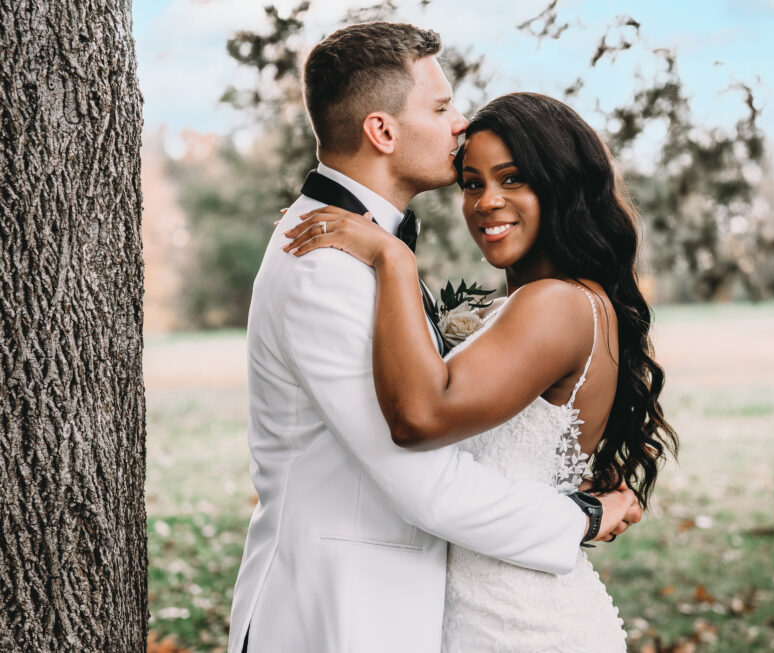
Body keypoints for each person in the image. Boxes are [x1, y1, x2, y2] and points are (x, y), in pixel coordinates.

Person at [226, 23, 642, 653]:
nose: (458, 123)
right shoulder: (326, 263)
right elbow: (425, 477)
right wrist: (580, 514)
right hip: (336, 615)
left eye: (512, 179)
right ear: (383, 130)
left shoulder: (367, 249)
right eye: (442, 106)